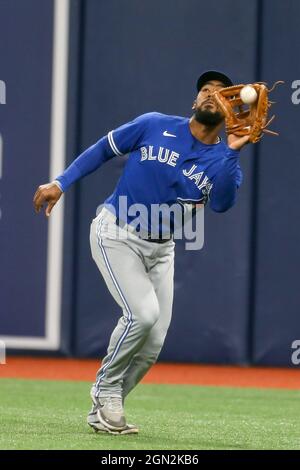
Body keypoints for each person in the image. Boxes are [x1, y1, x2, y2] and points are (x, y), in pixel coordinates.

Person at [33, 70, 250, 435]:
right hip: (116, 232)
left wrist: (231, 152)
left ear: (231, 107)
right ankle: (104, 390)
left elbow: (223, 204)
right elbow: (103, 149)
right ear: (194, 102)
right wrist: (60, 182)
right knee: (143, 314)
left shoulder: (223, 159)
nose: (211, 94)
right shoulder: (154, 125)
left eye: (221, 92)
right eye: (205, 90)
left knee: (152, 345)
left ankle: (104, 409)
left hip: (162, 249)